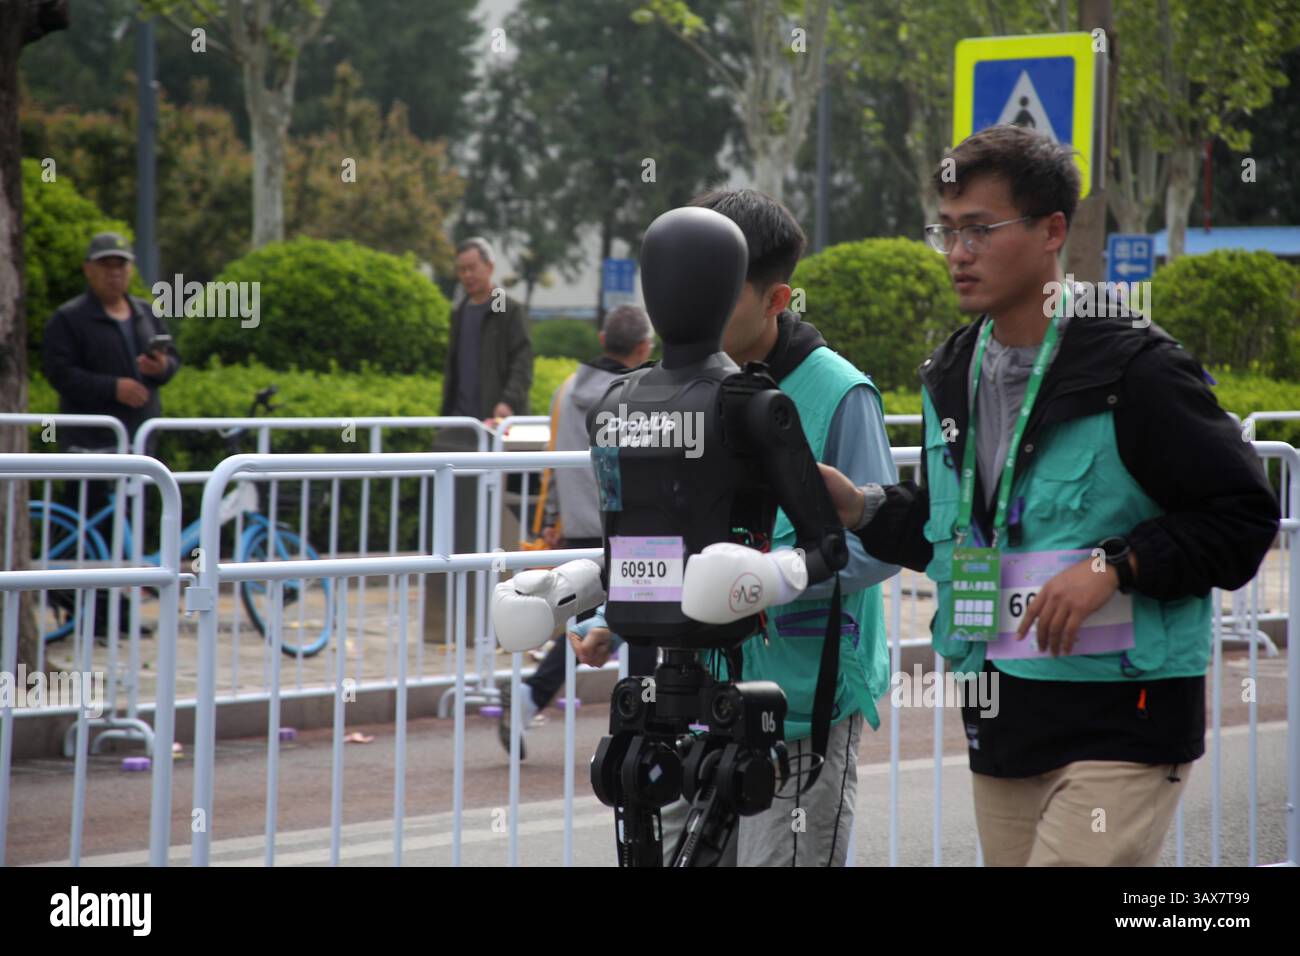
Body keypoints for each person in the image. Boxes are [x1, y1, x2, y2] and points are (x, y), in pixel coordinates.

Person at [819, 124, 1279, 866]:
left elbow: (1242, 516)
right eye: (947, 231)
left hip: (1125, 718)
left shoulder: (1136, 367)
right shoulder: (952, 372)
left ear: (1052, 231)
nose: (958, 253)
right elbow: (962, 535)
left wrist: (1115, 567)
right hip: (1003, 714)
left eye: (979, 229)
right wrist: (861, 507)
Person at [646, 187, 900, 866]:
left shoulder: (840, 393)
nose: (689, 316)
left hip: (799, 712)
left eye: (716, 297)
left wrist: (771, 578)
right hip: (691, 700)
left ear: (776, 300)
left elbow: (876, 549)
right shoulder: (669, 384)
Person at [497, 305, 658, 758]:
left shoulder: (567, 389)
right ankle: (641, 731)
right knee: (638, 626)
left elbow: (554, 457)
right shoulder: (640, 391)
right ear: (643, 347)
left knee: (592, 626)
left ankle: (529, 701)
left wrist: (550, 520)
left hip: (579, 527)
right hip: (628, 527)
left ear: (604, 340)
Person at [43, 231, 180, 458]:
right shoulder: (68, 318)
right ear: (88, 269)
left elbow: (174, 358)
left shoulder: (146, 312)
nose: (114, 273)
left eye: (121, 265)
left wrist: (161, 367)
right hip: (88, 446)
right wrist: (112, 388)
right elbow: (59, 373)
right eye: (106, 265)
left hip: (141, 445)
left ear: (131, 269)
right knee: (89, 495)